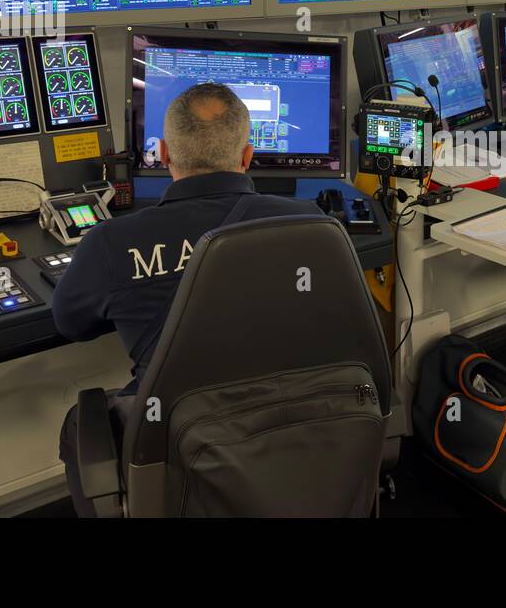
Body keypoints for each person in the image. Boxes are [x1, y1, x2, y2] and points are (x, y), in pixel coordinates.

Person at [52, 83, 322, 515]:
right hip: (296, 434)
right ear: (248, 156)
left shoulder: (110, 243)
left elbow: (70, 323)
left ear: (163, 153)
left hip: (178, 445)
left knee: (81, 423)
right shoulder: (311, 223)